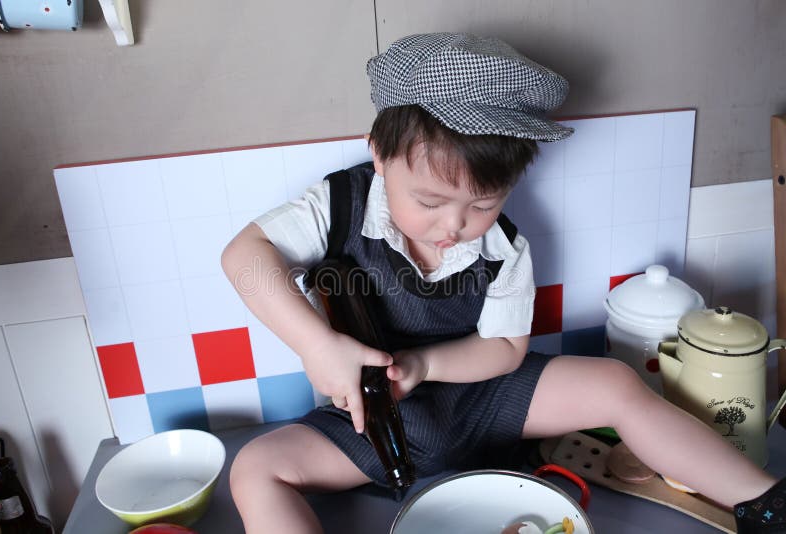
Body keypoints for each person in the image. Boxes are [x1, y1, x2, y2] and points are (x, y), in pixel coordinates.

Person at [221, 33, 785, 533]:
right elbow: (243, 257)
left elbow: (506, 348)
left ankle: (764, 501)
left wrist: (423, 367)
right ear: (380, 154)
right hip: (371, 423)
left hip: (487, 401)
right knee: (254, 467)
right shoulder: (338, 203)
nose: (453, 226)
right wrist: (316, 345)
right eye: (428, 201)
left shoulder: (504, 247)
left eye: (482, 204)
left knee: (616, 383)